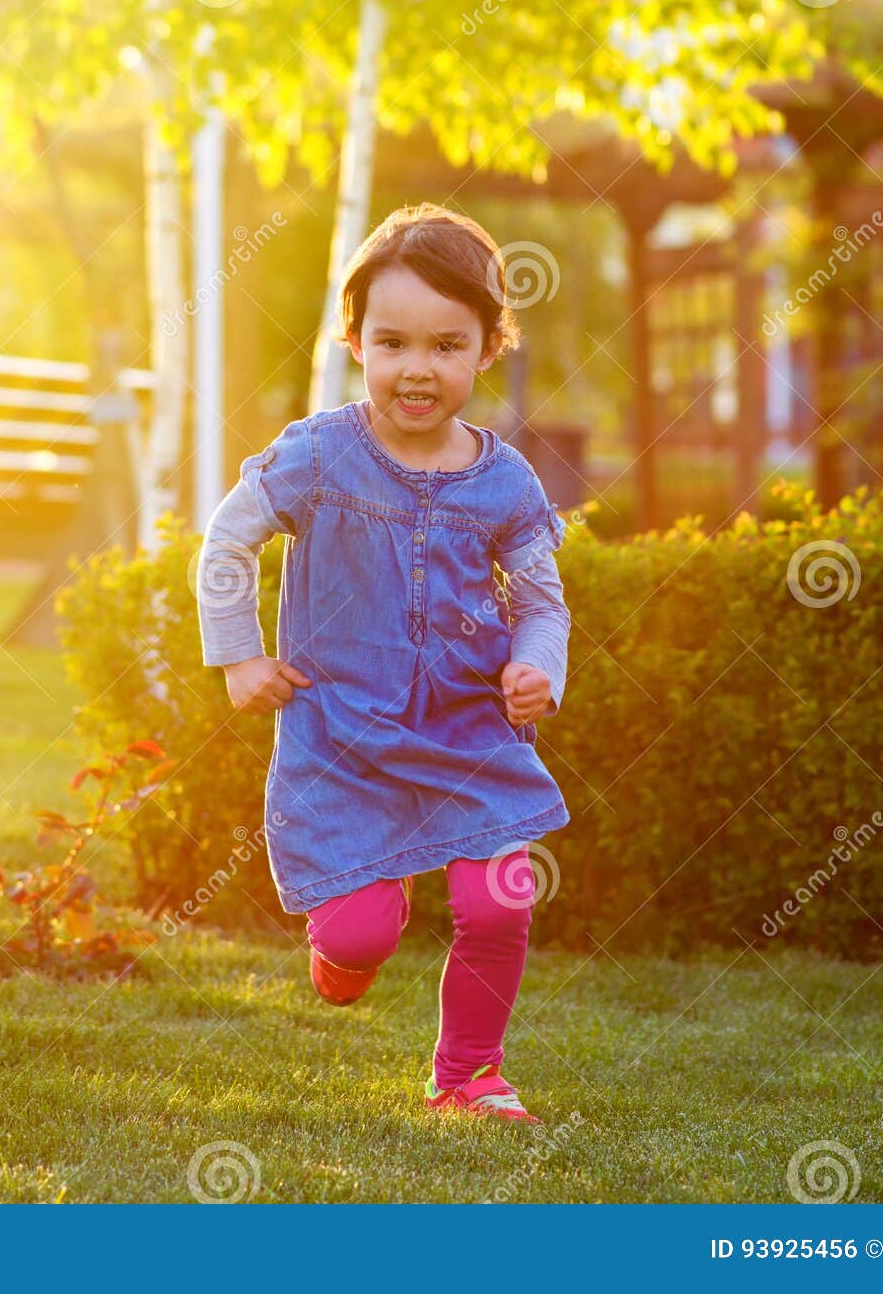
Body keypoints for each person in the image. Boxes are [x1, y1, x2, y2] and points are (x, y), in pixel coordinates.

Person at [196, 202, 571, 1123]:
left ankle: (468, 1076)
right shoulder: (318, 453)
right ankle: (350, 941)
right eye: (393, 342)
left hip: (468, 731)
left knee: (500, 904)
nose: (417, 369)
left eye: (447, 345)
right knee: (360, 933)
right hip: (343, 734)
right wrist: (240, 657)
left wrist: (536, 666)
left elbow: (541, 598)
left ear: (487, 347)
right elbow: (226, 545)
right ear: (356, 340)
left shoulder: (504, 481)